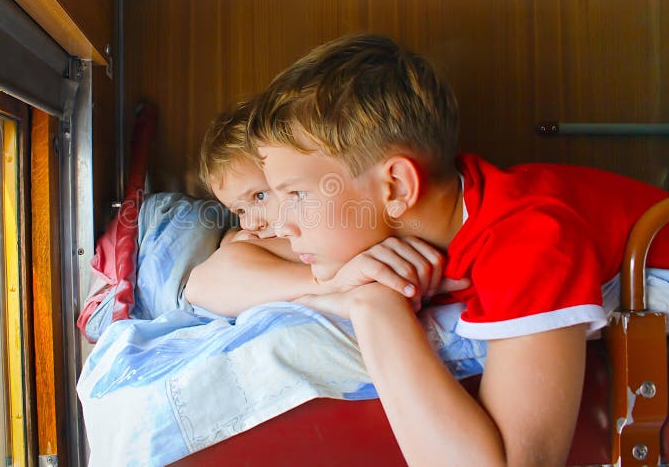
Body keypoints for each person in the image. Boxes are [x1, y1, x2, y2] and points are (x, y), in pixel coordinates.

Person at [245, 33, 669, 465]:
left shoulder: (528, 242)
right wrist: (331, 287)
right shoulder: (405, 224)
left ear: (396, 186)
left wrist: (374, 306)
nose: (282, 223)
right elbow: (211, 278)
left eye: (296, 195)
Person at [186, 99, 464, 317]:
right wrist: (329, 287)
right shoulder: (260, 238)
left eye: (260, 196)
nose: (252, 223)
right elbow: (200, 286)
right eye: (240, 211)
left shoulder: (344, 226)